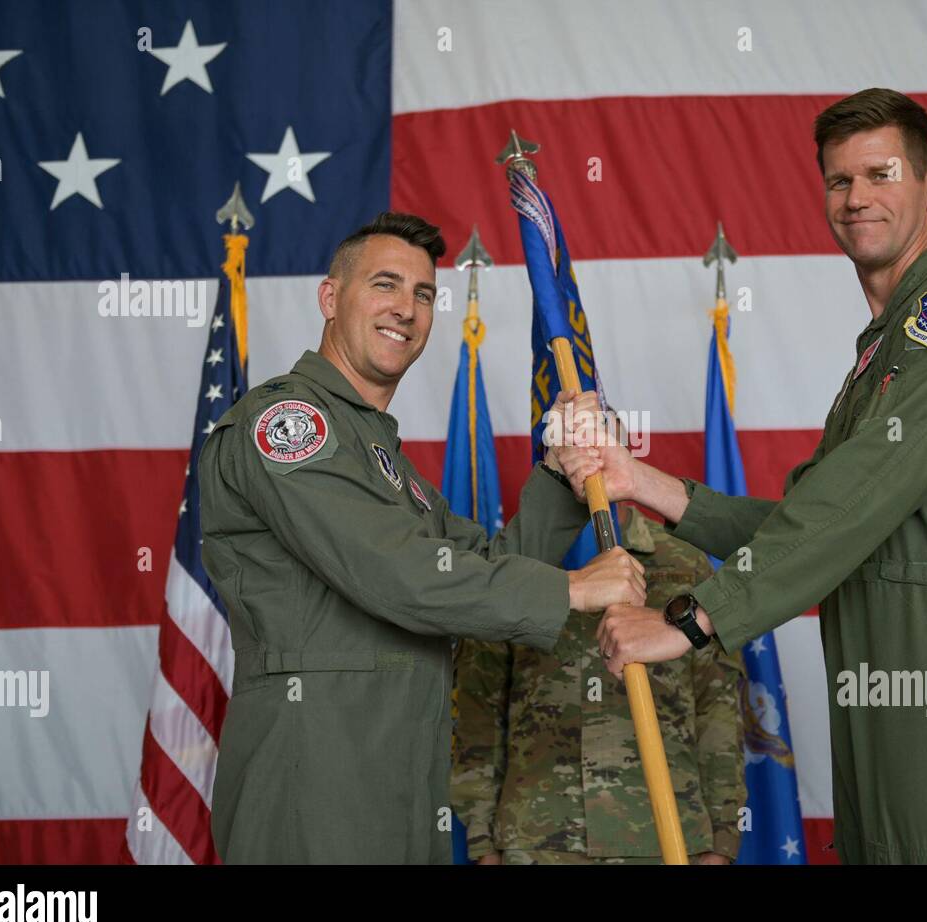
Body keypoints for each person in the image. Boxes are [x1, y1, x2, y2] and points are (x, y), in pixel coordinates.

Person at [560, 89, 927, 864]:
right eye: (840, 181)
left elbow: (853, 501)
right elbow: (817, 522)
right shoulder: (887, 346)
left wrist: (690, 620)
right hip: (886, 683)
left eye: (881, 173)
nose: (857, 196)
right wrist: (641, 481)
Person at [197, 211, 646, 863]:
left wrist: (561, 473)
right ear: (330, 297)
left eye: (424, 294)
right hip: (317, 783)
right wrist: (572, 588)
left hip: (404, 780)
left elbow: (486, 566)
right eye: (384, 285)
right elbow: (395, 571)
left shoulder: (384, 462)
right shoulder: (287, 422)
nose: (406, 309)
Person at [452, 503, 746, 865]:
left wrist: (721, 843)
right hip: (537, 839)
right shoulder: (513, 564)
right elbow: (478, 709)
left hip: (667, 835)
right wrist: (482, 843)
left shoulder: (684, 563)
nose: (588, 448)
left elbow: (717, 707)